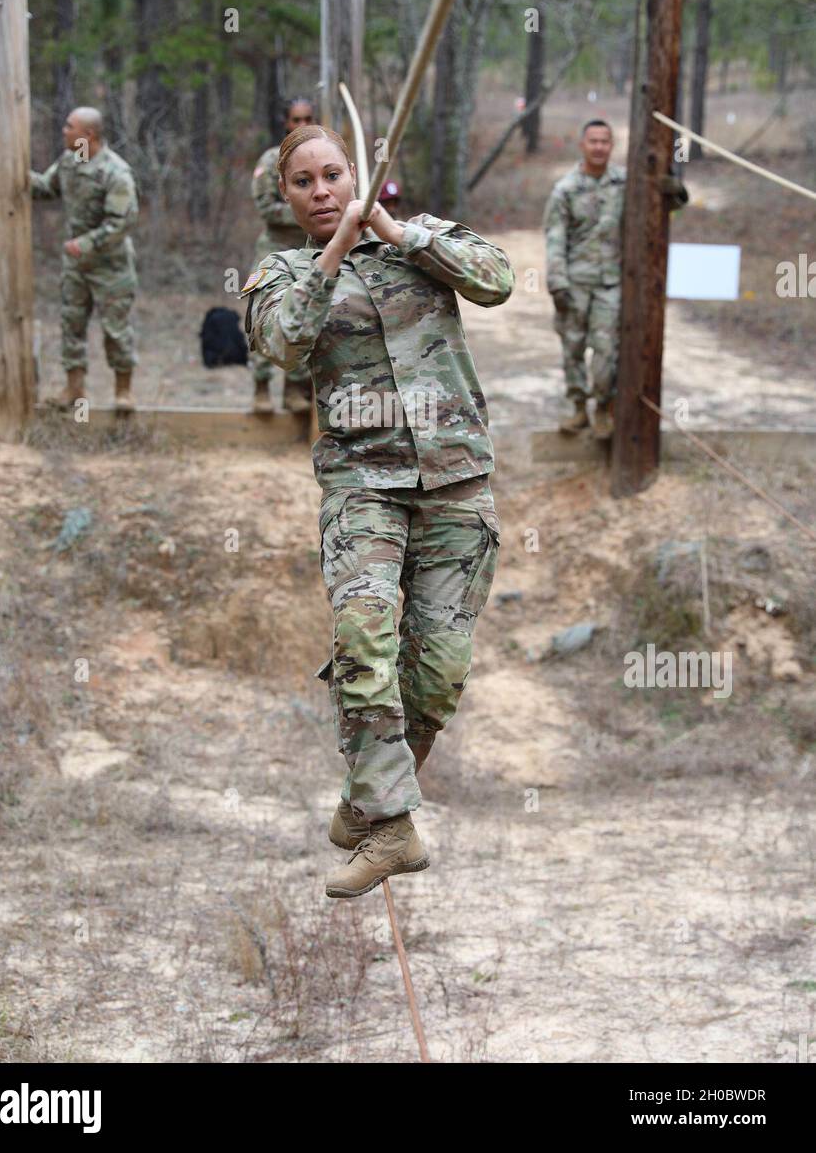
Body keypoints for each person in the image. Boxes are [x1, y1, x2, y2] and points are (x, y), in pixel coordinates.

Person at [242, 125, 514, 900]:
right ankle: (392, 828)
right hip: (364, 487)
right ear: (286, 196)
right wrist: (336, 255)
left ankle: (364, 796)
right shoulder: (281, 271)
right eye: (304, 182)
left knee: (436, 674)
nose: (322, 190)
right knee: (365, 637)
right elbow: (283, 341)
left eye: (333, 175)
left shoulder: (419, 241)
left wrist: (396, 230)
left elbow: (497, 281)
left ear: (358, 175)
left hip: (457, 483)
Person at [543, 119, 687, 439]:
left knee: (607, 350)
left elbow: (663, 203)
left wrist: (673, 188)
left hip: (611, 284)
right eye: (593, 141)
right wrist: (557, 282)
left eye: (605, 141)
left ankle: (603, 409)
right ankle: (578, 408)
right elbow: (554, 237)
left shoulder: (625, 182)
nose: (598, 147)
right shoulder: (565, 190)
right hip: (575, 283)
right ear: (582, 145)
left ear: (612, 146)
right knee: (573, 348)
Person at [30, 106, 139, 411]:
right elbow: (45, 188)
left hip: (111, 265)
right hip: (77, 265)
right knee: (71, 324)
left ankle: (123, 392)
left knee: (116, 330)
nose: (63, 131)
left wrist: (87, 243)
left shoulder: (115, 172)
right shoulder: (70, 162)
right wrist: (13, 172)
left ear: (88, 134)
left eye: (69, 126)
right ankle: (74, 391)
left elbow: (122, 223)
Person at [249, 96, 316, 413]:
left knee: (302, 317)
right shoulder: (271, 160)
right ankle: (261, 388)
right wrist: (306, 211)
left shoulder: (318, 160)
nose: (301, 126)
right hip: (273, 249)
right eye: (296, 120)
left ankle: (294, 390)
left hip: (307, 251)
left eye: (308, 119)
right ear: (286, 123)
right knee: (260, 315)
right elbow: (267, 209)